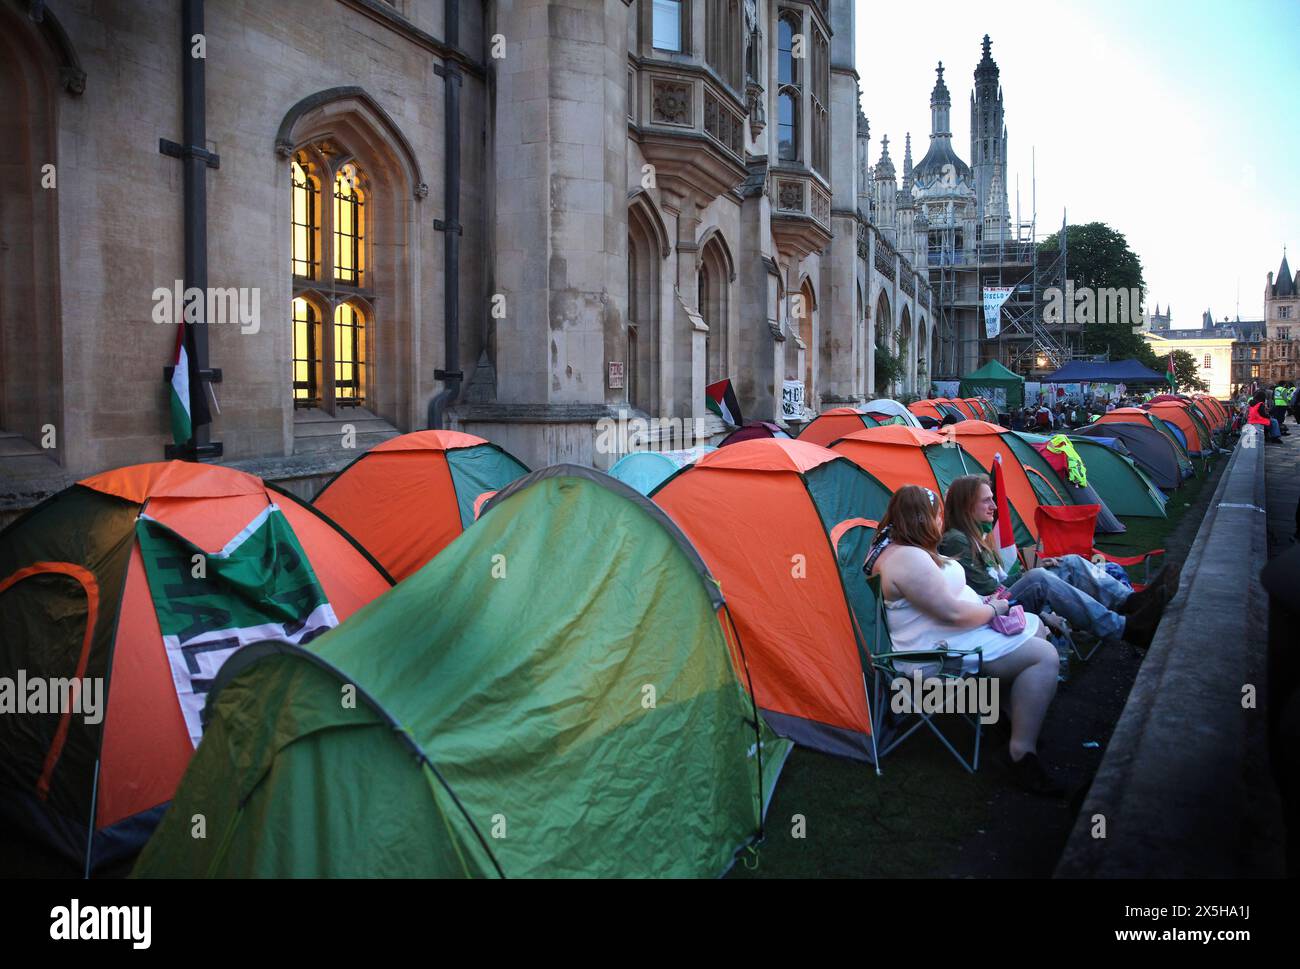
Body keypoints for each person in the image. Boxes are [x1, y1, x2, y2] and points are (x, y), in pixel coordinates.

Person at [864, 485, 1064, 796]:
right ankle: (1020, 753)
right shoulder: (906, 560)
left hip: (950, 639)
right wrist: (994, 608)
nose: (939, 522)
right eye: (935, 515)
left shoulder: (901, 550)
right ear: (922, 518)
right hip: (937, 655)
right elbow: (952, 614)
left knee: (1035, 627)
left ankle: (1010, 722)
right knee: (1044, 656)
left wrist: (987, 606)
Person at [938, 476, 1177, 650]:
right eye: (987, 501)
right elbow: (989, 591)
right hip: (989, 613)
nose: (995, 506)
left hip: (1001, 601)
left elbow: (999, 582)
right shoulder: (957, 541)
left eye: (993, 499)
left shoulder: (976, 535)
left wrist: (1036, 569)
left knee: (1071, 562)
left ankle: (1130, 600)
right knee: (1039, 578)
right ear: (967, 506)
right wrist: (1033, 573)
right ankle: (1125, 629)